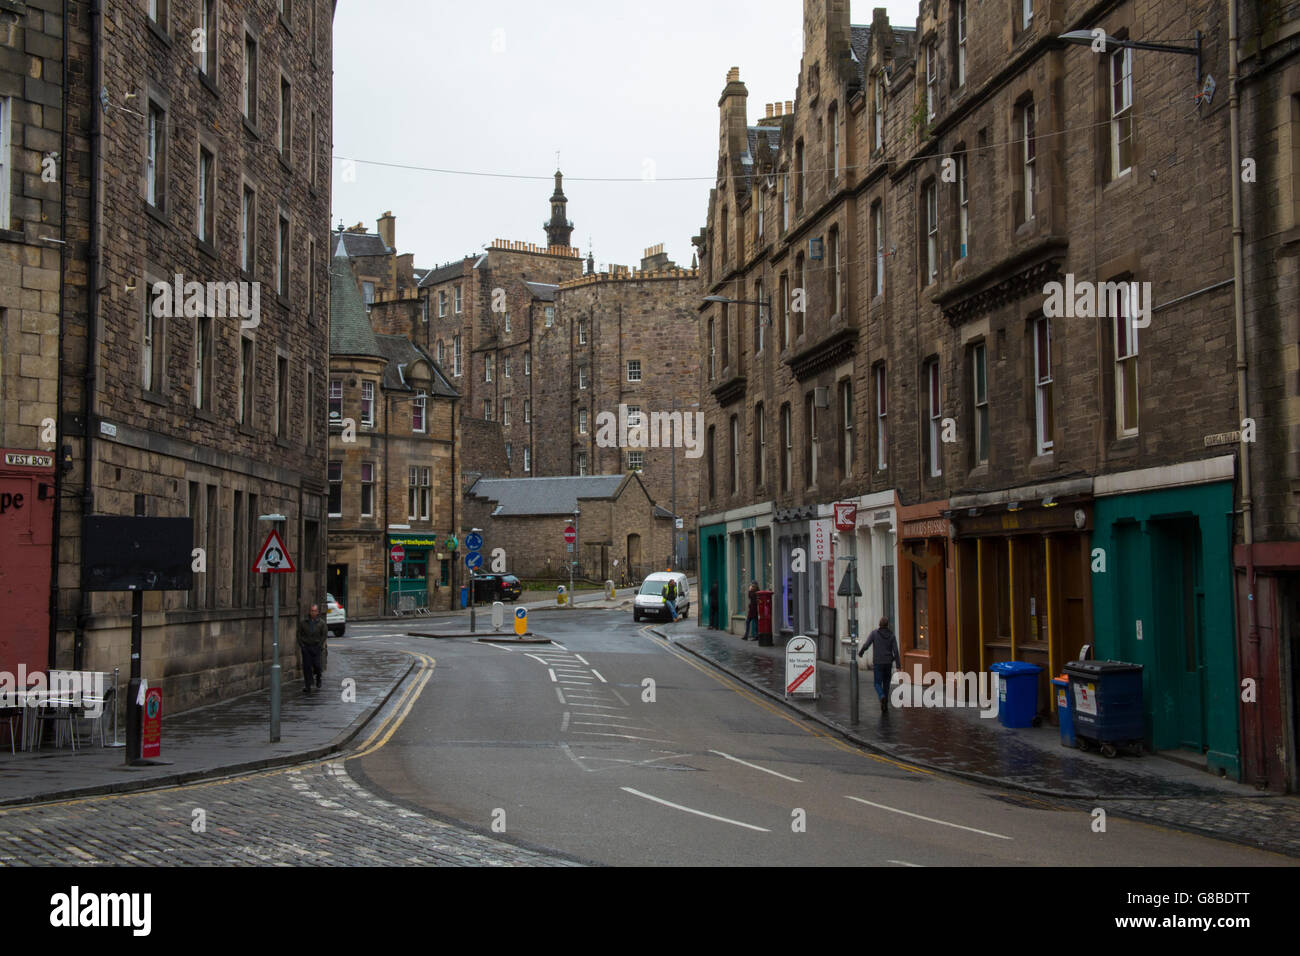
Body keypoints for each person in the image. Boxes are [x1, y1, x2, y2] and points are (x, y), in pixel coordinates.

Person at [858, 616, 900, 713]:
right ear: (887, 625)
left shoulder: (874, 633)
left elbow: (866, 645)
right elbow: (896, 651)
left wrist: (861, 652)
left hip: (878, 663)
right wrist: (898, 665)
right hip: (888, 663)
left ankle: (881, 696)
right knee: (886, 683)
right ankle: (884, 704)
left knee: (877, 683)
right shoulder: (892, 635)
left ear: (879, 624)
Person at [298, 603, 328, 694]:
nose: (313, 613)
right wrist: (302, 645)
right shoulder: (303, 622)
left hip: (316, 647)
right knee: (307, 667)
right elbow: (299, 634)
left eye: (315, 611)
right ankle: (308, 685)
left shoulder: (321, 623)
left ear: (317, 612)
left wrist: (320, 645)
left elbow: (324, 634)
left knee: (317, 666)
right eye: (312, 611)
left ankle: (318, 678)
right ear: (309, 612)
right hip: (306, 647)